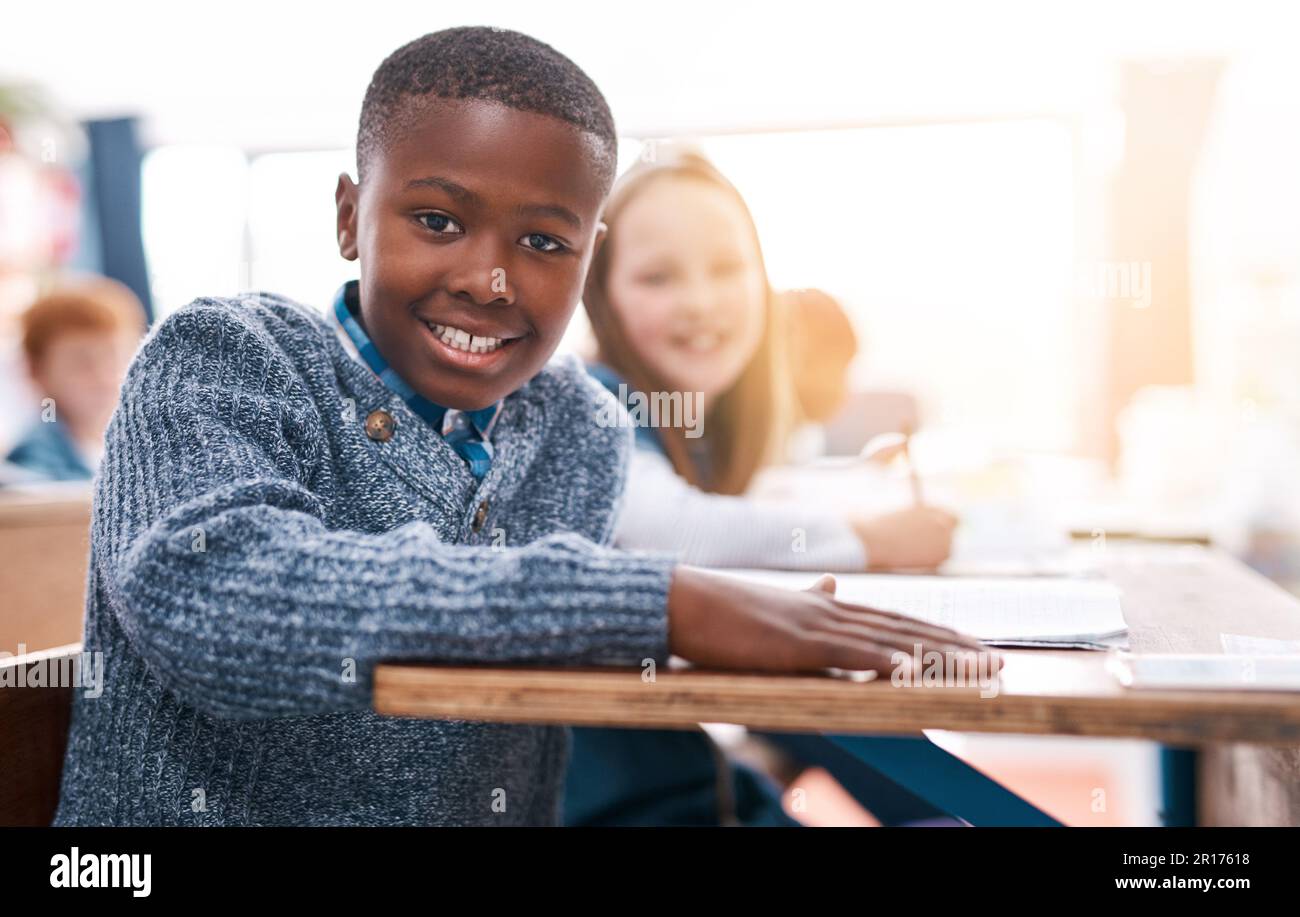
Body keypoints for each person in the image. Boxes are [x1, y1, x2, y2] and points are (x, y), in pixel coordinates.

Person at [52, 28, 992, 827]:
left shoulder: (573, 422)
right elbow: (217, 604)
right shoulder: (223, 354)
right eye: (436, 219)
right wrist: (664, 604)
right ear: (349, 217)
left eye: (545, 242)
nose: (489, 280)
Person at [565, 150, 960, 826]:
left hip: (684, 781)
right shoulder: (590, 401)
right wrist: (870, 538)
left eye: (727, 268)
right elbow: (667, 528)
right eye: (658, 276)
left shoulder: (692, 419)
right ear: (602, 296)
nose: (700, 300)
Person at [4, 277, 143, 481]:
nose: (103, 377)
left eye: (116, 358)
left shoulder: (140, 441)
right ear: (37, 371)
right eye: (82, 363)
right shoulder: (34, 459)